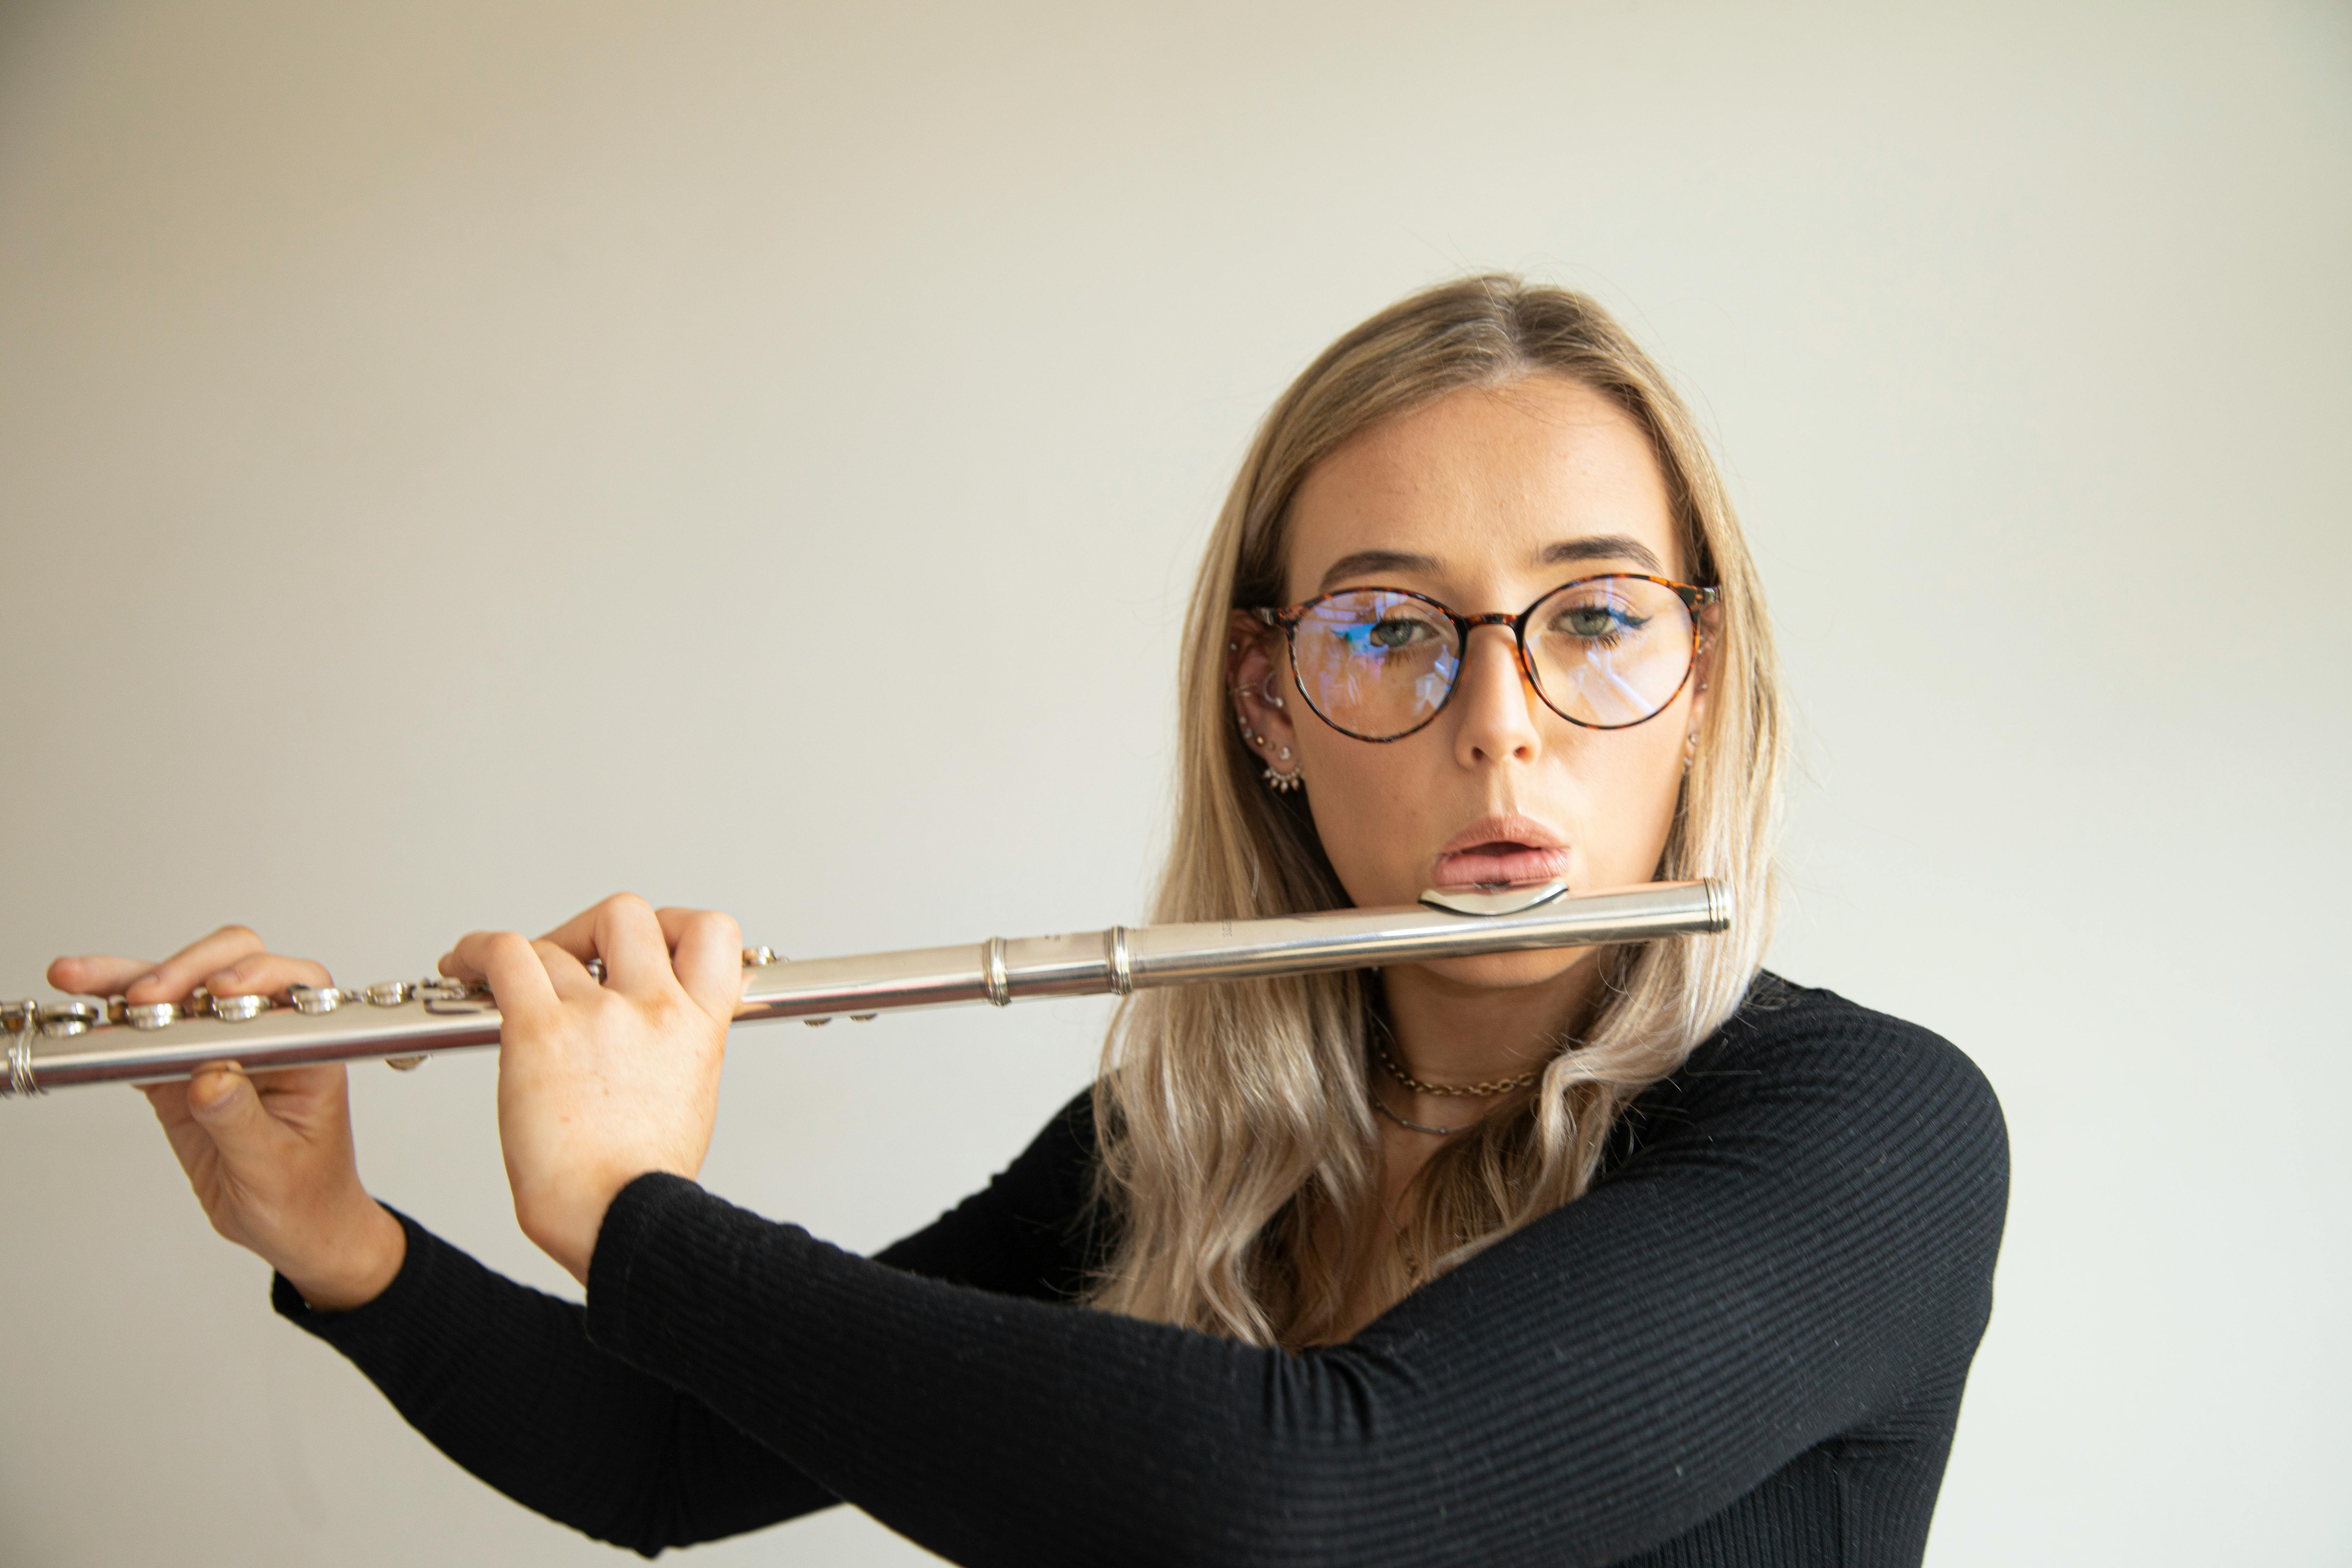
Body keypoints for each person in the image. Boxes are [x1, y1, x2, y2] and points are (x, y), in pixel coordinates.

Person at [51, 276, 2007, 1566]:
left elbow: (1301, 1498)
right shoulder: (1195, 1144)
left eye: (1591, 619)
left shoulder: (1864, 1135)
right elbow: (668, 1461)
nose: (1497, 723)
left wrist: (634, 1215)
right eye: (1384, 633)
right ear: (1269, 705)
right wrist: (336, 1236)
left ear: (1699, 678)